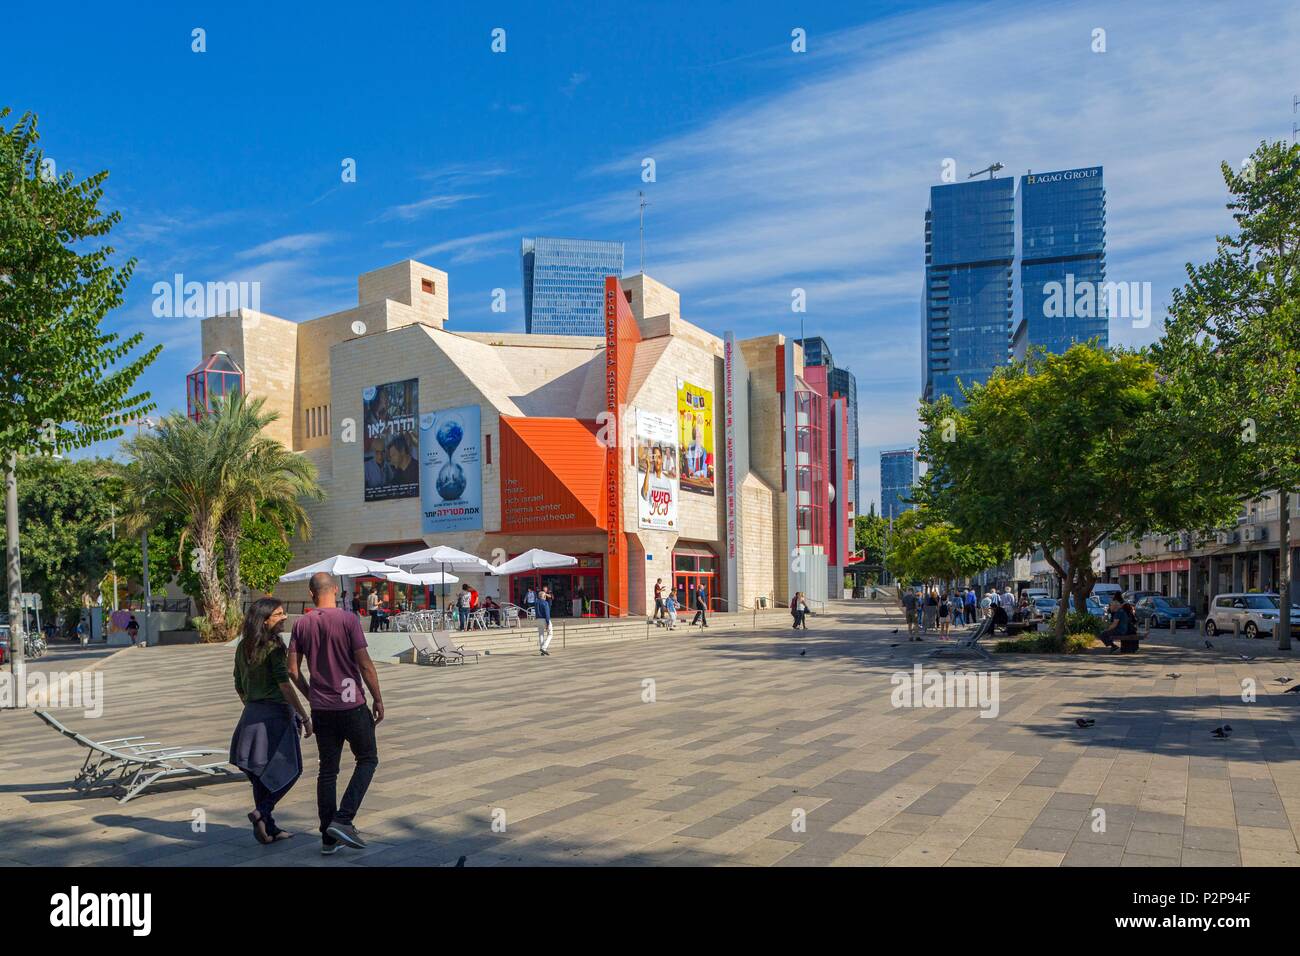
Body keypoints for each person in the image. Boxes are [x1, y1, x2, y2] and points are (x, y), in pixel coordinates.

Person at [288, 572, 383, 855]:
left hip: (322, 709)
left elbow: (292, 670)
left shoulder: (301, 623)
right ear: (334, 590)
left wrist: (311, 695)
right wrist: (378, 698)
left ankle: (328, 839)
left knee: (327, 771)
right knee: (367, 758)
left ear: (311, 592)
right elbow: (364, 664)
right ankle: (343, 819)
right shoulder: (348, 620)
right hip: (351, 704)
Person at [230, 597, 311, 845]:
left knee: (259, 773)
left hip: (251, 716)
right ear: (265, 620)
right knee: (293, 769)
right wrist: (304, 715)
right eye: (278, 614)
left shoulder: (244, 646)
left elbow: (238, 684)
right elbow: (285, 685)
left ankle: (269, 828)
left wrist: (253, 706)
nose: (284, 617)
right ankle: (261, 812)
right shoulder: (275, 647)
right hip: (276, 715)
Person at [535, 585, 553, 655]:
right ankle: (544, 648)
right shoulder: (545, 603)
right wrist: (548, 622)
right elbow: (547, 613)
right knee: (550, 634)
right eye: (545, 596)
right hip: (544, 619)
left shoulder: (536, 603)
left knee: (541, 634)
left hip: (538, 619)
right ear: (544, 596)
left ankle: (542, 649)